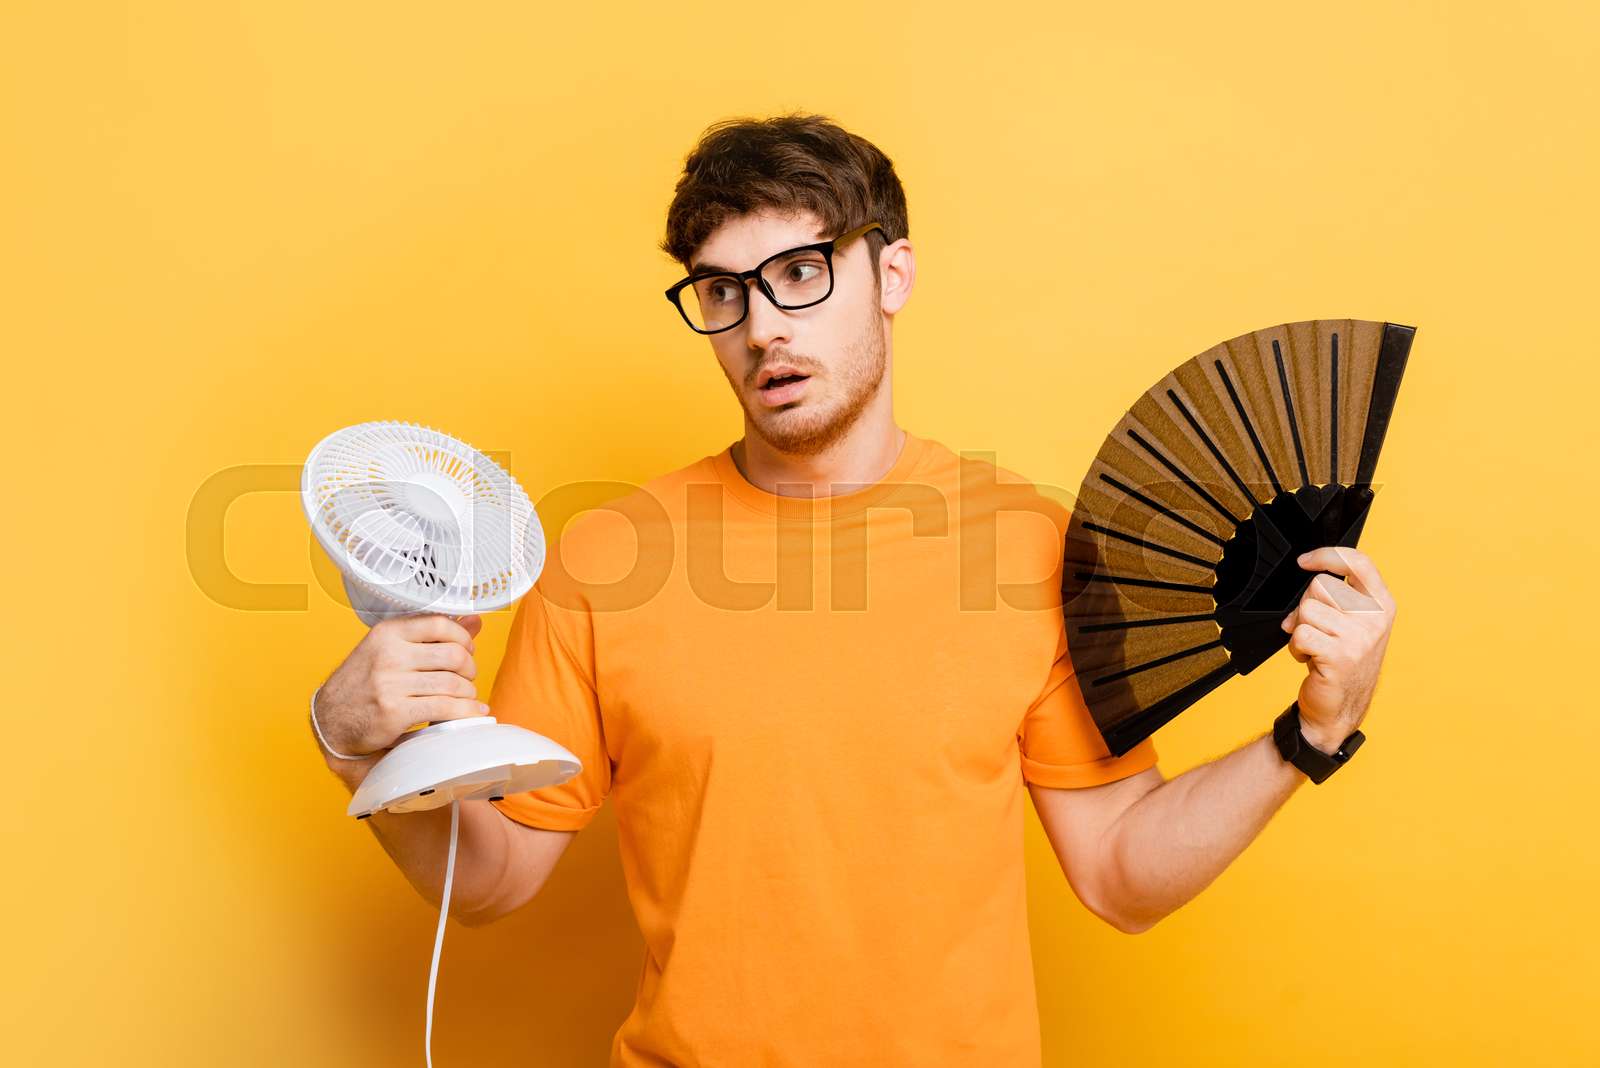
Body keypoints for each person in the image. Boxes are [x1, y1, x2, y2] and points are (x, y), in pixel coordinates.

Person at [309, 113, 1399, 1066]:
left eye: (798, 273)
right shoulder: (604, 559)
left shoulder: (1028, 542)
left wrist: (1309, 733)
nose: (762, 327)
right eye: (723, 293)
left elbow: (1120, 875)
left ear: (891, 274)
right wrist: (360, 750)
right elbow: (492, 884)